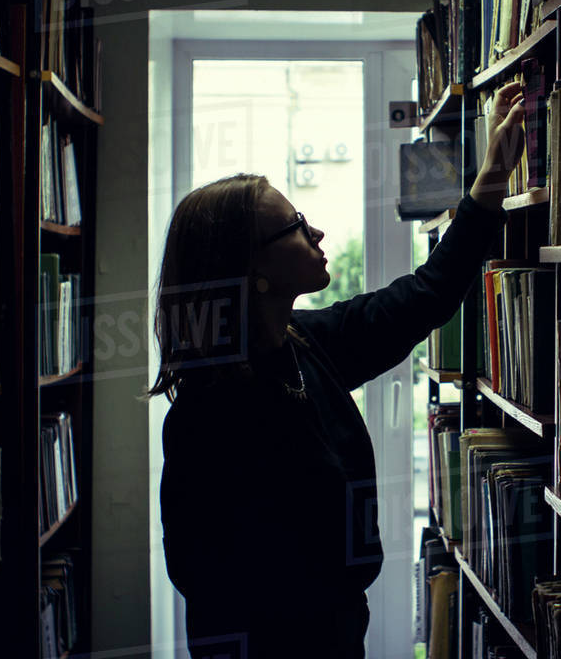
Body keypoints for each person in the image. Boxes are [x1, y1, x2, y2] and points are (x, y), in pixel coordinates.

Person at [152, 81, 526, 658]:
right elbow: (207, 582)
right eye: (295, 225)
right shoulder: (209, 414)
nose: (316, 232)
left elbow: (425, 294)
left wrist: (494, 173)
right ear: (253, 270)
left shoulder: (304, 345)